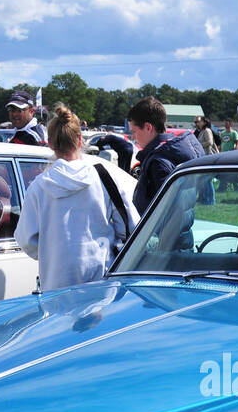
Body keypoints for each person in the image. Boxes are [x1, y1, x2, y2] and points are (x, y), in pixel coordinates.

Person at [14, 104, 139, 291]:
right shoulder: (103, 178)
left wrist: (54, 250)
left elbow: (26, 239)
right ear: (80, 140)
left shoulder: (38, 187)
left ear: (50, 144)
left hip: (56, 285)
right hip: (101, 282)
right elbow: (131, 226)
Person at [127, 96, 204, 215]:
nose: (133, 137)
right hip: (180, 230)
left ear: (148, 127)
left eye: (134, 131)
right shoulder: (172, 151)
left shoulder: (158, 162)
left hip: (161, 233)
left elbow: (167, 213)